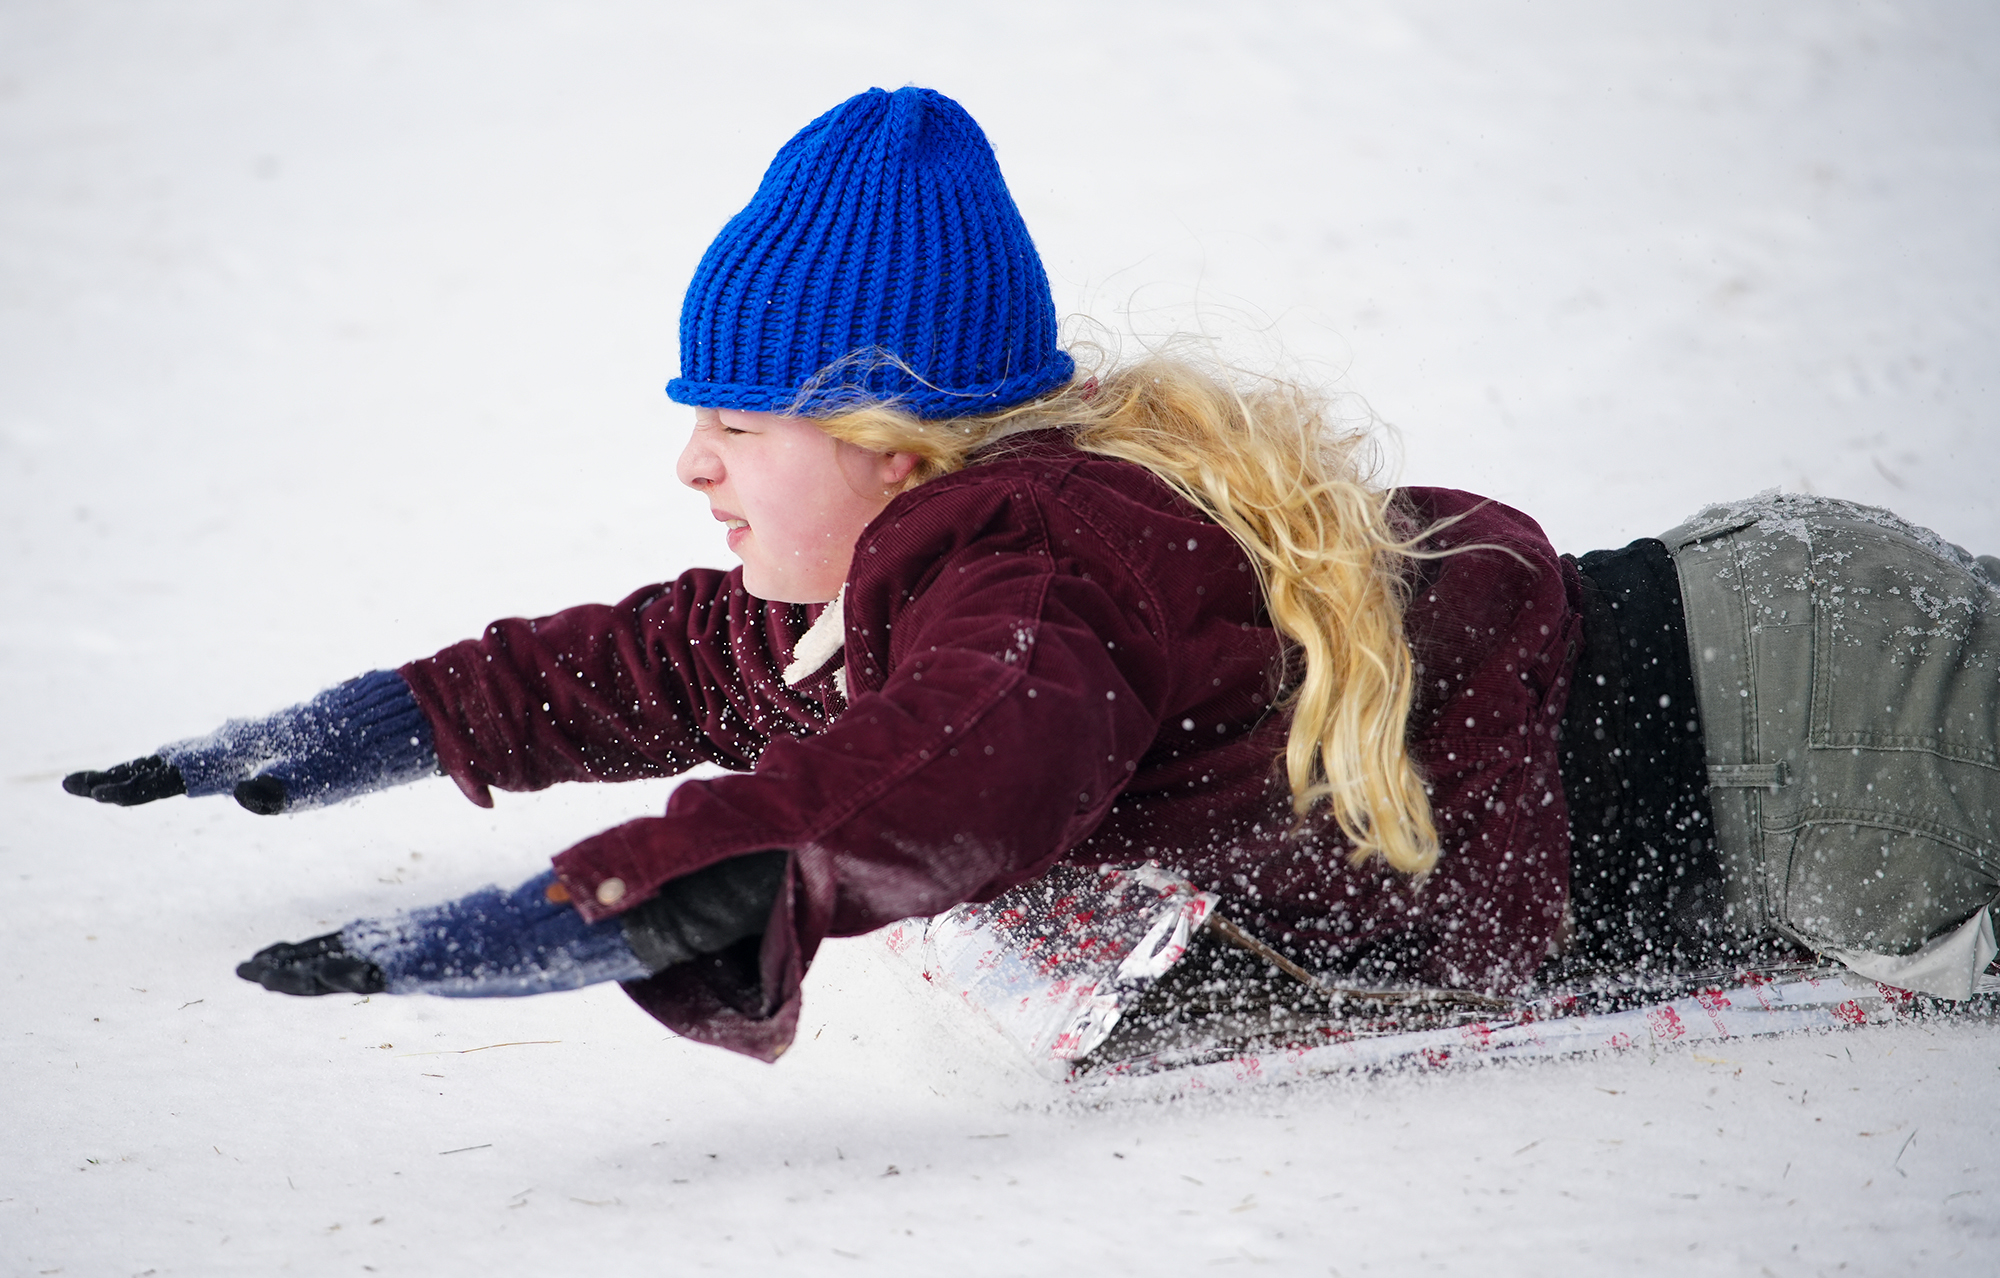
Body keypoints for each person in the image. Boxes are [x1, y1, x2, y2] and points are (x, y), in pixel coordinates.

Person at [63, 87, 2000, 1064]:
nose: (691, 463)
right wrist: (382, 721)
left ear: (885, 439)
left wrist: (612, 908)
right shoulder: (965, 552)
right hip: (1773, 640)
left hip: (1818, 759)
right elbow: (676, 659)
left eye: (734, 418)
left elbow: (946, 775)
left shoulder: (1038, 589)